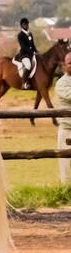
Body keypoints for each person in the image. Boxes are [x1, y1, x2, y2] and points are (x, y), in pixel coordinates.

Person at [55, 52, 71, 183]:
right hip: (68, 129)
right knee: (66, 165)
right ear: (65, 65)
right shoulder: (61, 83)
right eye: (70, 63)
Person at [14, 18, 37, 89]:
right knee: (28, 66)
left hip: (31, 54)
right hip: (24, 55)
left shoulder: (30, 34)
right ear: (22, 25)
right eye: (24, 24)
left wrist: (36, 51)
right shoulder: (20, 35)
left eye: (27, 24)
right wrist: (32, 51)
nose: (26, 26)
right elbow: (23, 47)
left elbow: (32, 44)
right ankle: (24, 83)